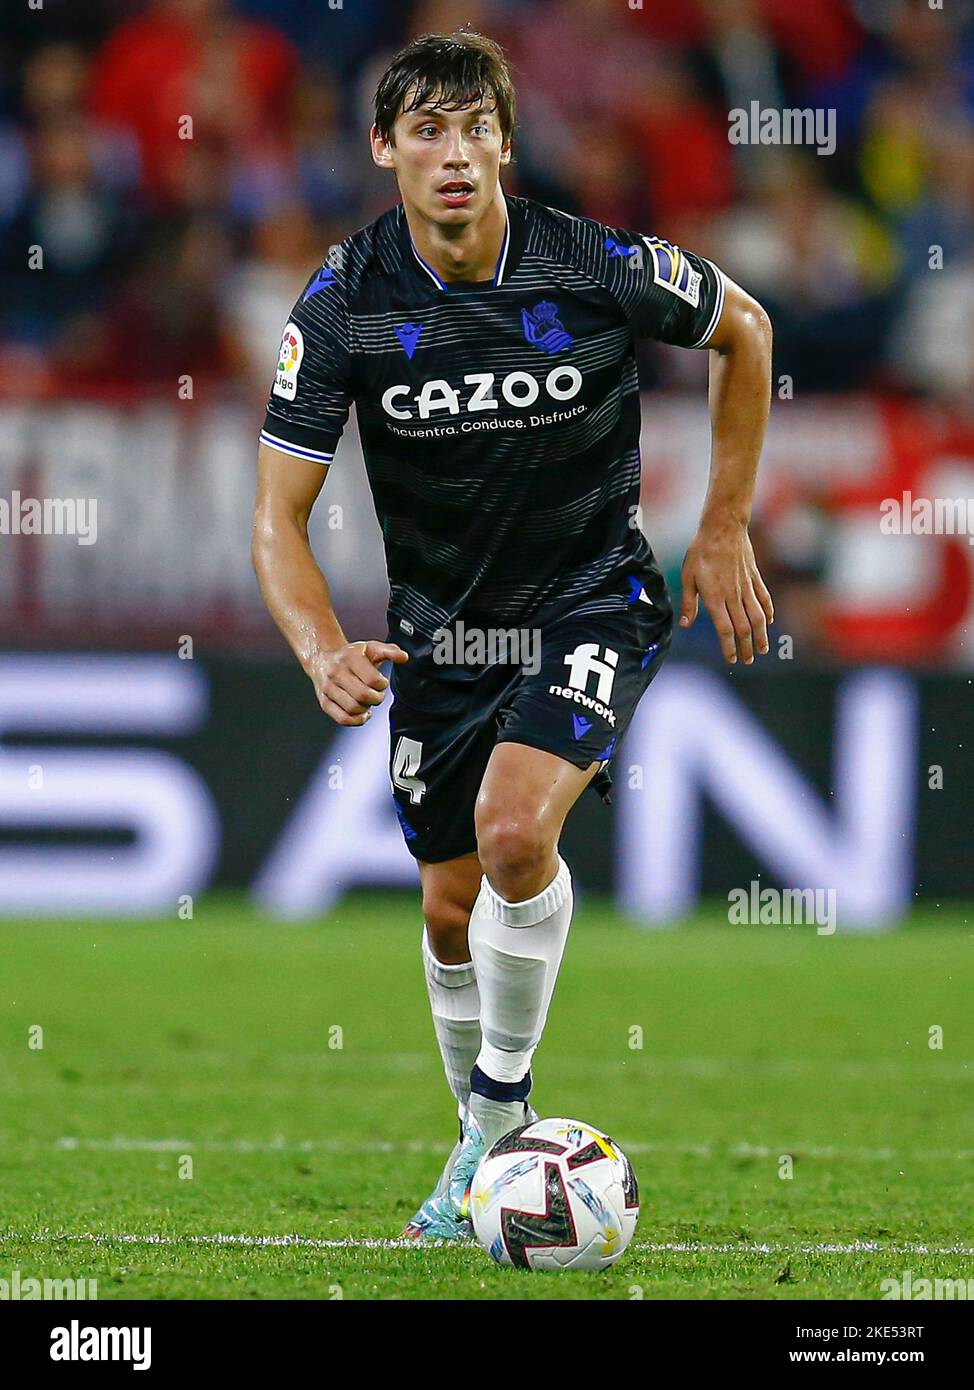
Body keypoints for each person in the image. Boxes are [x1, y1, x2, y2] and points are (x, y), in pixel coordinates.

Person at [251, 29, 774, 1241]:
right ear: (383, 148)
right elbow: (274, 520)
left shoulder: (586, 263)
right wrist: (322, 644)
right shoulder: (342, 306)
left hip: (590, 596)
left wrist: (723, 524)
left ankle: (492, 1126)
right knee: (445, 908)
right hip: (441, 636)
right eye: (424, 130)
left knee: (508, 833)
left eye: (473, 127)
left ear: (504, 143)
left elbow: (742, 327)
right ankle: (484, 1134)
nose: (451, 154)